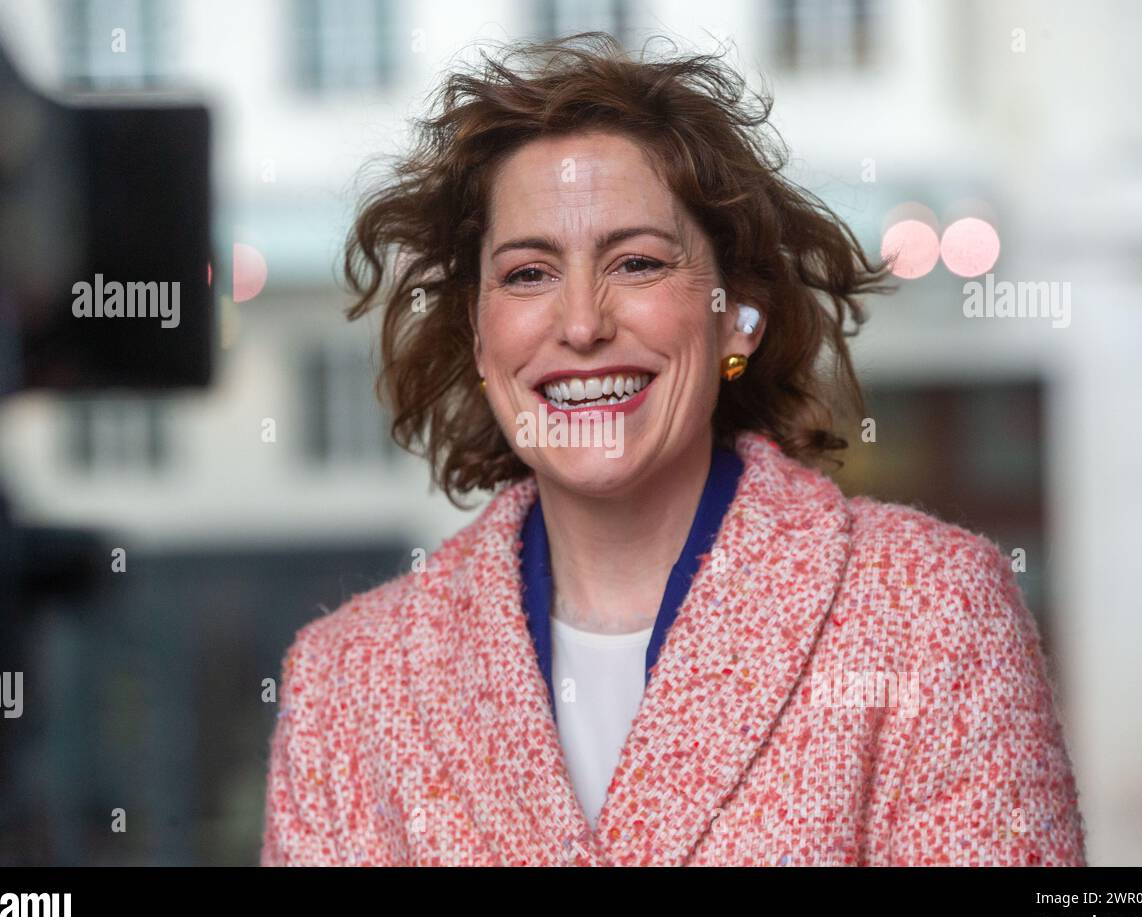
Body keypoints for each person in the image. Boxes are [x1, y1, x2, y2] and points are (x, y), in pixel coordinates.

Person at [261, 33, 1086, 866]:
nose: (582, 323)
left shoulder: (931, 615)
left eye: (638, 263)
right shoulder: (347, 684)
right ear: (479, 338)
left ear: (739, 317)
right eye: (527, 275)